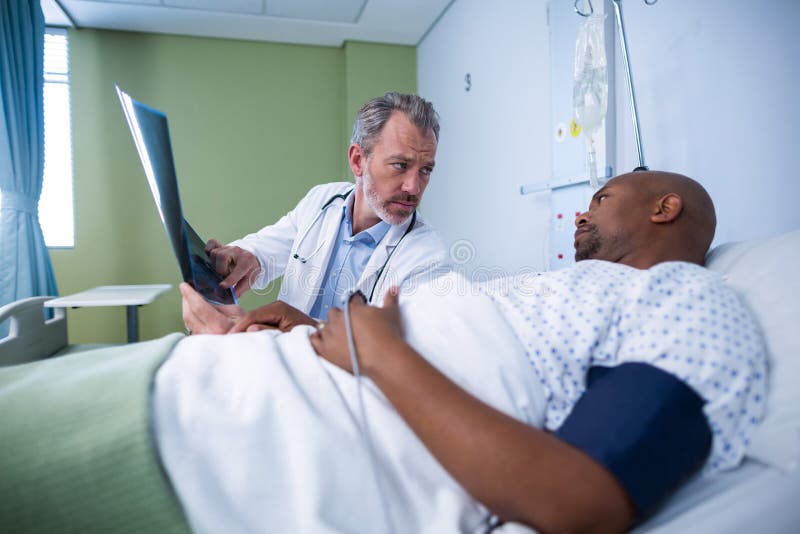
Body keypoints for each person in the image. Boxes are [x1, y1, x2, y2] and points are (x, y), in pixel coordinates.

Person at [2, 172, 766, 534]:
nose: (579, 210)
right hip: (222, 380)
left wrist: (381, 354)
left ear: (665, 207)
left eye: (601, 196)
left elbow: (585, 498)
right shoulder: (554, 293)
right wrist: (304, 332)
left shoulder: (689, 299)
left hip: (214, 438)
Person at [200, 92, 449, 331]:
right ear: (358, 160)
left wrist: (303, 326)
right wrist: (247, 257)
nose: (414, 187)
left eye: (426, 170)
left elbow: (404, 350)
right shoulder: (323, 199)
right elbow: (269, 248)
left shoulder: (427, 256)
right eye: (400, 165)